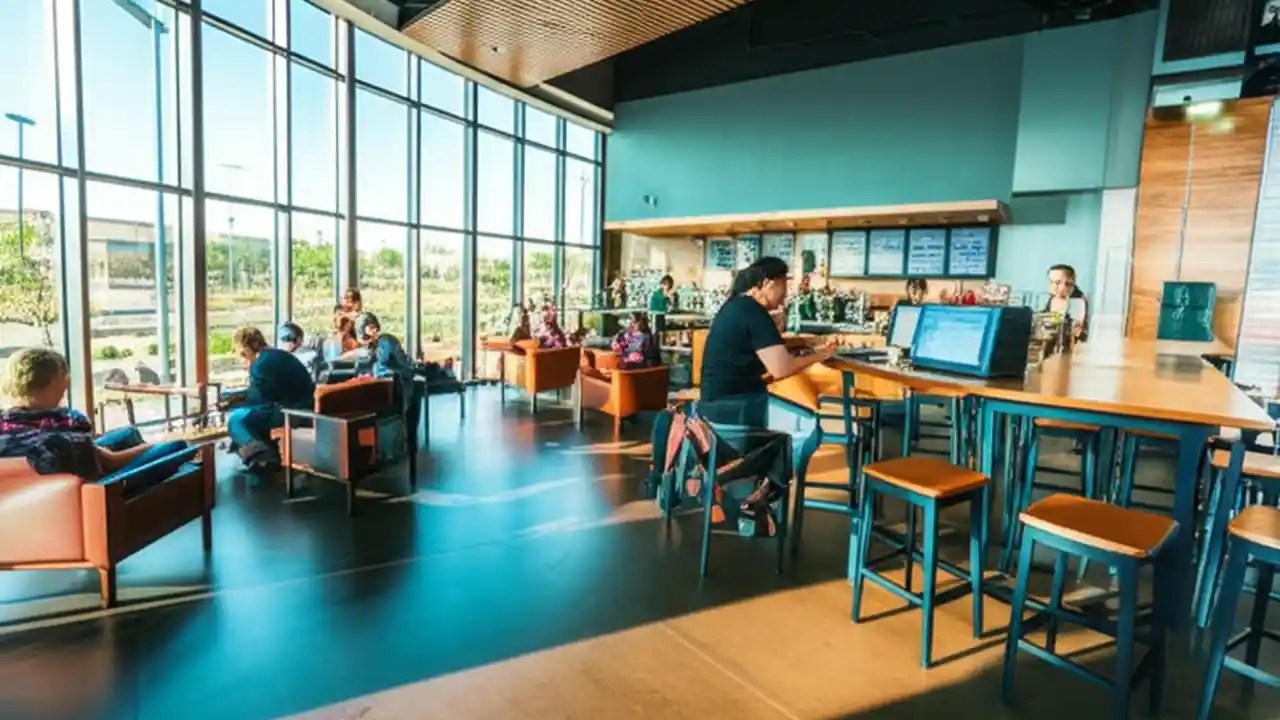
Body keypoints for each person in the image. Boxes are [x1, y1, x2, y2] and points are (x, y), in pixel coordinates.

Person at [698, 256, 835, 520]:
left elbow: (766, 350)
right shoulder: (753, 312)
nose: (787, 292)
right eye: (784, 284)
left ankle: (756, 481)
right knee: (810, 427)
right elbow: (781, 368)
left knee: (790, 422)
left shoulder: (737, 307)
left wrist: (802, 344)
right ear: (765, 283)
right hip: (739, 414)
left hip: (713, 414)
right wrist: (821, 355)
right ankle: (767, 489)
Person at [0, 348, 193, 485]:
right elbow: (110, 462)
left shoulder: (8, 422)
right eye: (63, 374)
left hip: (30, 495)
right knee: (177, 446)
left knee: (129, 433)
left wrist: (94, 448)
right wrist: (153, 444)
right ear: (49, 382)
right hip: (92, 494)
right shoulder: (64, 438)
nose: (67, 381)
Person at [226, 327, 316, 471]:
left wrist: (233, 404)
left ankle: (262, 456)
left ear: (246, 349)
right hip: (306, 406)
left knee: (236, 419)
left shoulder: (260, 364)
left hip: (295, 412)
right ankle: (263, 455)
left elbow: (259, 401)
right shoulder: (278, 355)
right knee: (252, 415)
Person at [1045, 264, 1089, 341]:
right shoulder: (1054, 298)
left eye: (1058, 282)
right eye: (1051, 282)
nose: (1053, 286)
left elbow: (1075, 328)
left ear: (1070, 283)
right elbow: (1053, 318)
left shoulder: (1077, 301)